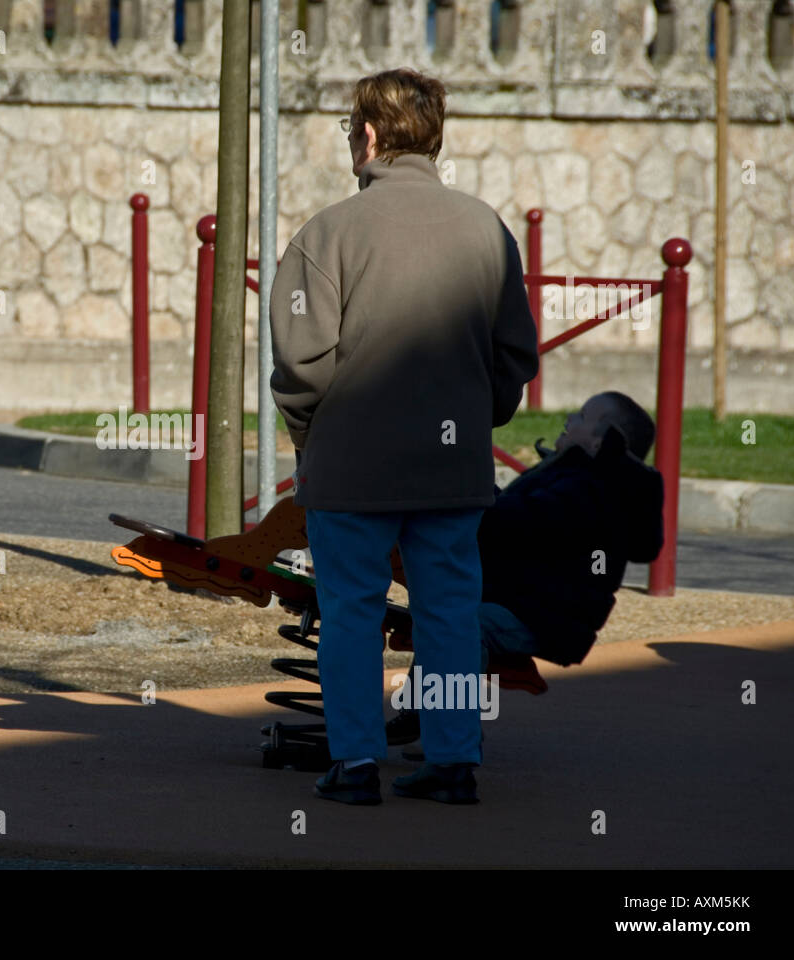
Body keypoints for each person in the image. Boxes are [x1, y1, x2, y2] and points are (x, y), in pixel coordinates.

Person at [269, 68, 539, 806]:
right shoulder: (486, 227)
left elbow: (301, 364)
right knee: (448, 609)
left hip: (351, 463)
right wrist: (472, 414)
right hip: (450, 467)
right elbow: (515, 354)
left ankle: (354, 763)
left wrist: (309, 435)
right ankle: (453, 759)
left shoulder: (327, 232)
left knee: (350, 610)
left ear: (366, 135)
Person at [388, 391, 666, 750]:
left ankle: (455, 744)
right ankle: (426, 714)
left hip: (544, 617)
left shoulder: (592, 489)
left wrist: (470, 493)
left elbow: (517, 521)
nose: (568, 418)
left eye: (581, 416)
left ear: (602, 440)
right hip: (525, 603)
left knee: (461, 625)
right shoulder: (576, 476)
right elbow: (519, 517)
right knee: (450, 613)